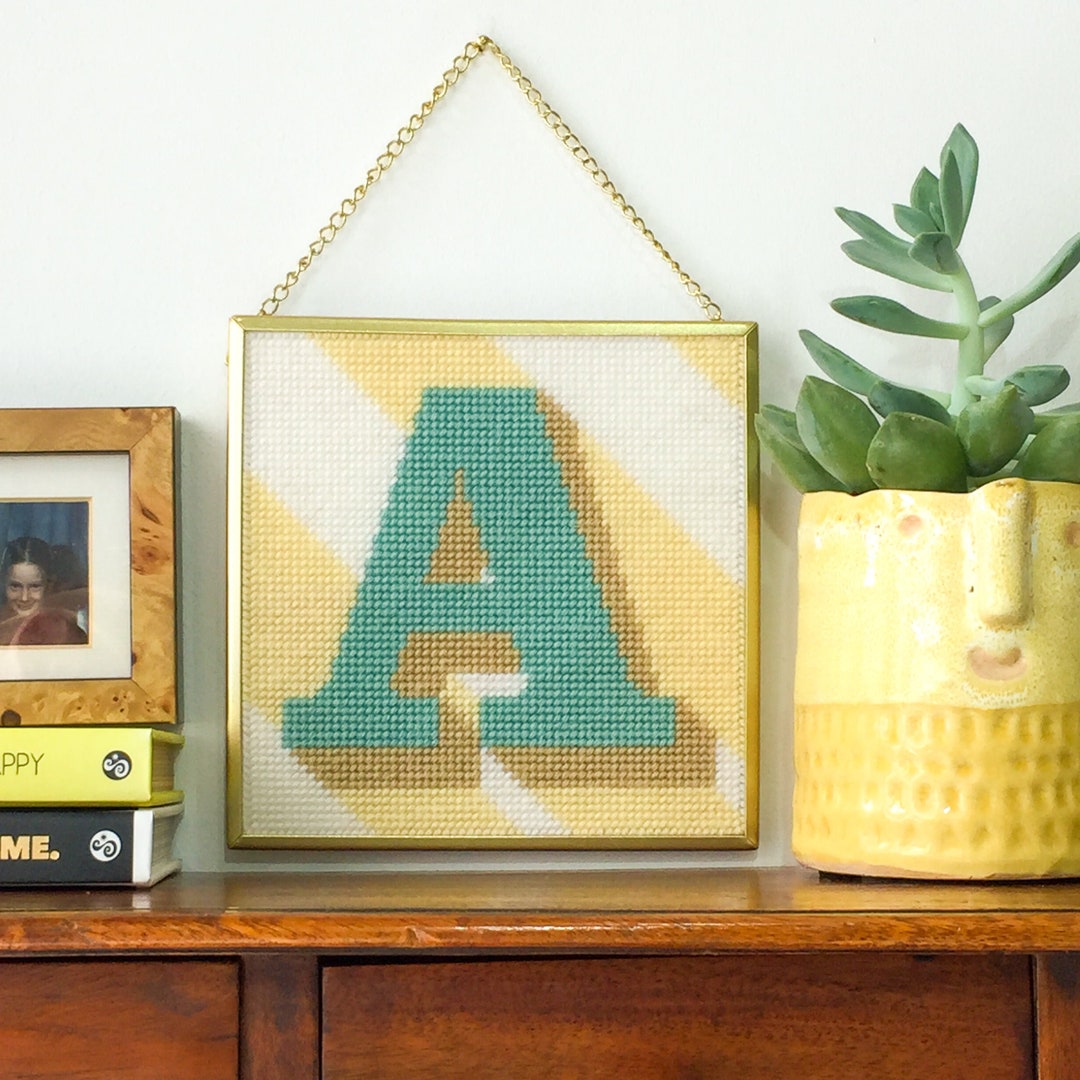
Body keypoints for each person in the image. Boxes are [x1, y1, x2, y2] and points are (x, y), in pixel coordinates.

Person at [0, 536, 87, 646]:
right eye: (15, 586)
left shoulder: (65, 631)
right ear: (4, 583)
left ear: (49, 585)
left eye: (35, 586)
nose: (24, 597)